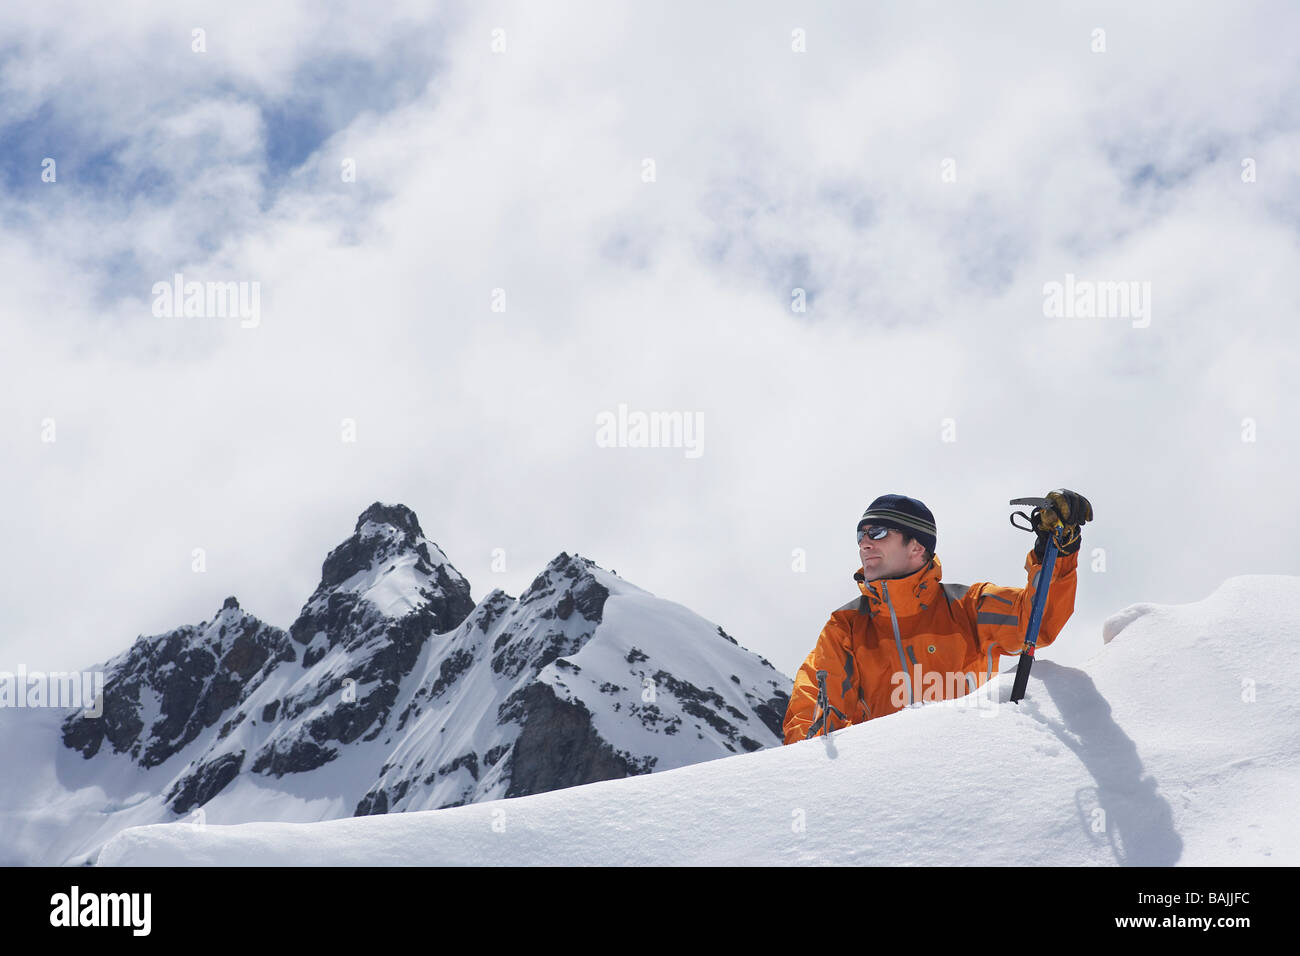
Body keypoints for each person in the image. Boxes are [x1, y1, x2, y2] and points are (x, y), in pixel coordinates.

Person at [782, 490, 1093, 744]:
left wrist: (1059, 552)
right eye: (860, 535)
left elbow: (1038, 622)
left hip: (972, 774)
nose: (865, 543)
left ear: (917, 547)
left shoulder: (968, 607)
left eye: (877, 532)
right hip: (884, 790)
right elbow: (812, 711)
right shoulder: (846, 627)